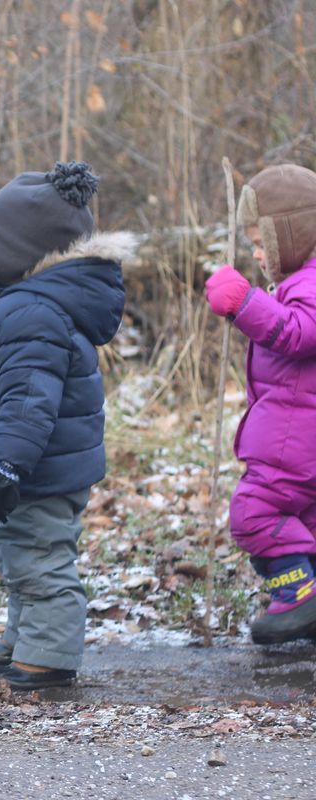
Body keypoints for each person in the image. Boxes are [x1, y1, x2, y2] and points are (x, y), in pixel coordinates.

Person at [0, 162, 129, 690]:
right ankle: (27, 639)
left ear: (20, 253)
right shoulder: (24, 305)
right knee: (21, 554)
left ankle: (49, 657)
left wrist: (2, 464)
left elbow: (28, 404)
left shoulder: (31, 313)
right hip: (31, 468)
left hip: (36, 469)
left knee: (41, 558)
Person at [204, 164, 316, 645]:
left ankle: (300, 596)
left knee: (254, 513)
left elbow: (297, 333)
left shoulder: (310, 284)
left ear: (290, 234)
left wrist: (243, 302)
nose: (255, 253)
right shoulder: (300, 281)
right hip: (296, 438)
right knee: (305, 526)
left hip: (295, 443)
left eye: (260, 242)